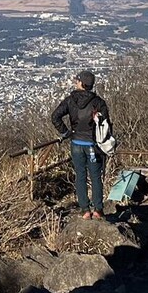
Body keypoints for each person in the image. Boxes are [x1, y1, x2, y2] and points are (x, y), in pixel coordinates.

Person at [51, 69, 109, 219]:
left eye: (77, 80)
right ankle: (98, 209)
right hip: (93, 144)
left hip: (76, 142)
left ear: (81, 83)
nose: (75, 82)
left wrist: (66, 133)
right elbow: (106, 124)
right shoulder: (98, 102)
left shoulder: (70, 100)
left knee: (80, 175)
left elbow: (55, 116)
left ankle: (84, 210)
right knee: (95, 176)